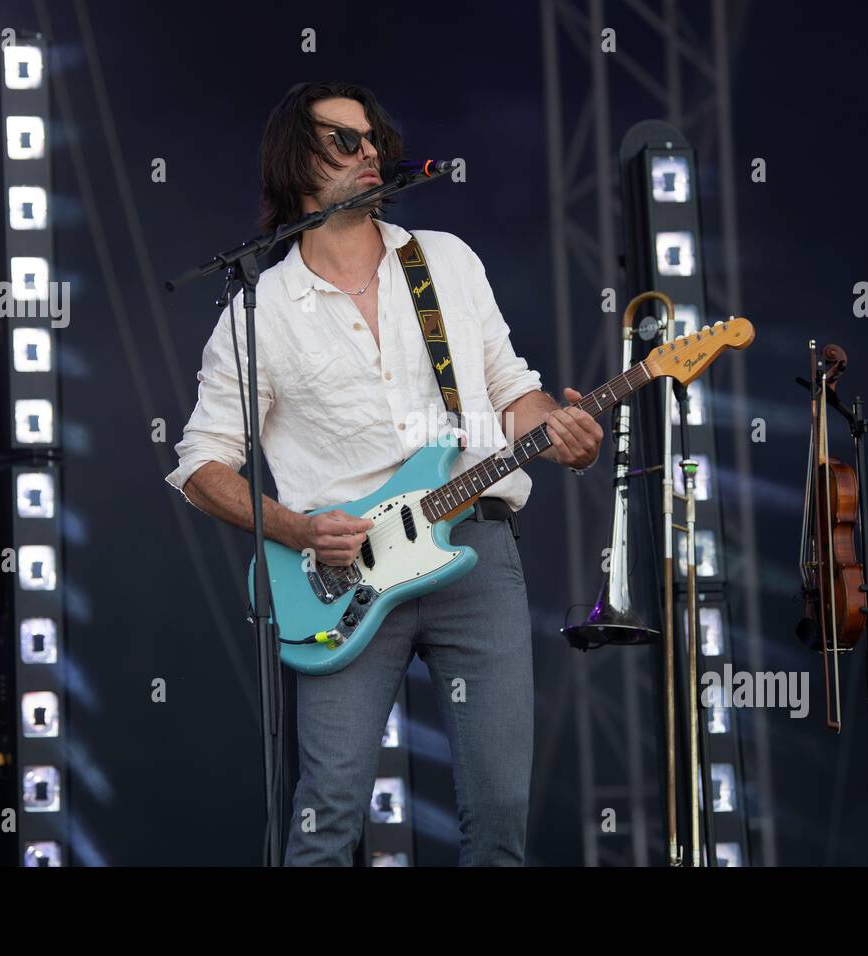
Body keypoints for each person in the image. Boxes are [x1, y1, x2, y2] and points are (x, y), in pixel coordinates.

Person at [166, 81, 602, 865]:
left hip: (477, 553)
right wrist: (301, 530)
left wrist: (558, 428)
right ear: (296, 159)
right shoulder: (259, 308)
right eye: (344, 141)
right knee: (329, 810)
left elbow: (510, 394)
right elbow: (201, 464)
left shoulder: (443, 262)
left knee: (500, 811)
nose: (370, 154)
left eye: (373, 140)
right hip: (342, 576)